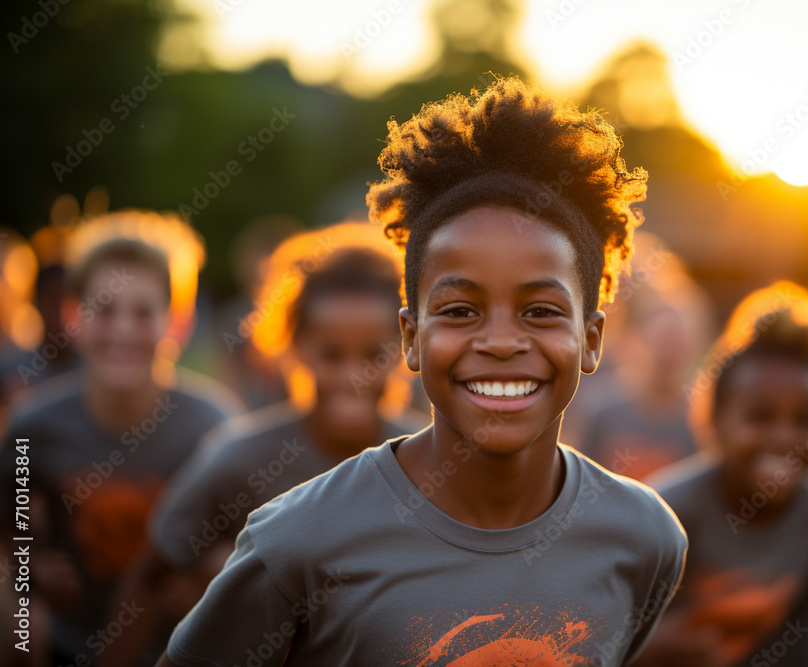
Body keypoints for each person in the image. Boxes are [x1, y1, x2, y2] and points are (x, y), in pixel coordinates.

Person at [156, 76, 688, 667]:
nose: (501, 342)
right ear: (409, 338)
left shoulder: (645, 537)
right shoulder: (299, 538)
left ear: (591, 341)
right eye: (460, 310)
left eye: (541, 311)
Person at [100, 222, 427, 665]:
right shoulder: (239, 456)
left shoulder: (428, 458)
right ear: (296, 347)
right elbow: (148, 576)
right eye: (331, 354)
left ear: (407, 346)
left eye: (373, 354)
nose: (353, 377)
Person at [0, 212, 242, 667]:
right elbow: (12, 532)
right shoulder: (33, 429)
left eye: (143, 312)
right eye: (105, 310)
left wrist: (207, 573)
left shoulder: (215, 427)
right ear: (73, 317)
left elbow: (246, 546)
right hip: (66, 648)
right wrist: (30, 575)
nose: (123, 330)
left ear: (178, 321)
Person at [636, 282, 808, 667]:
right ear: (715, 419)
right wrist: (652, 648)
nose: (785, 437)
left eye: (804, 419)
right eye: (761, 416)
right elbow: (601, 646)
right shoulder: (664, 513)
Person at [573, 232, 713, 480]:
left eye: (675, 339)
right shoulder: (601, 406)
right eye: (660, 339)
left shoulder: (701, 416)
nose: (667, 351)